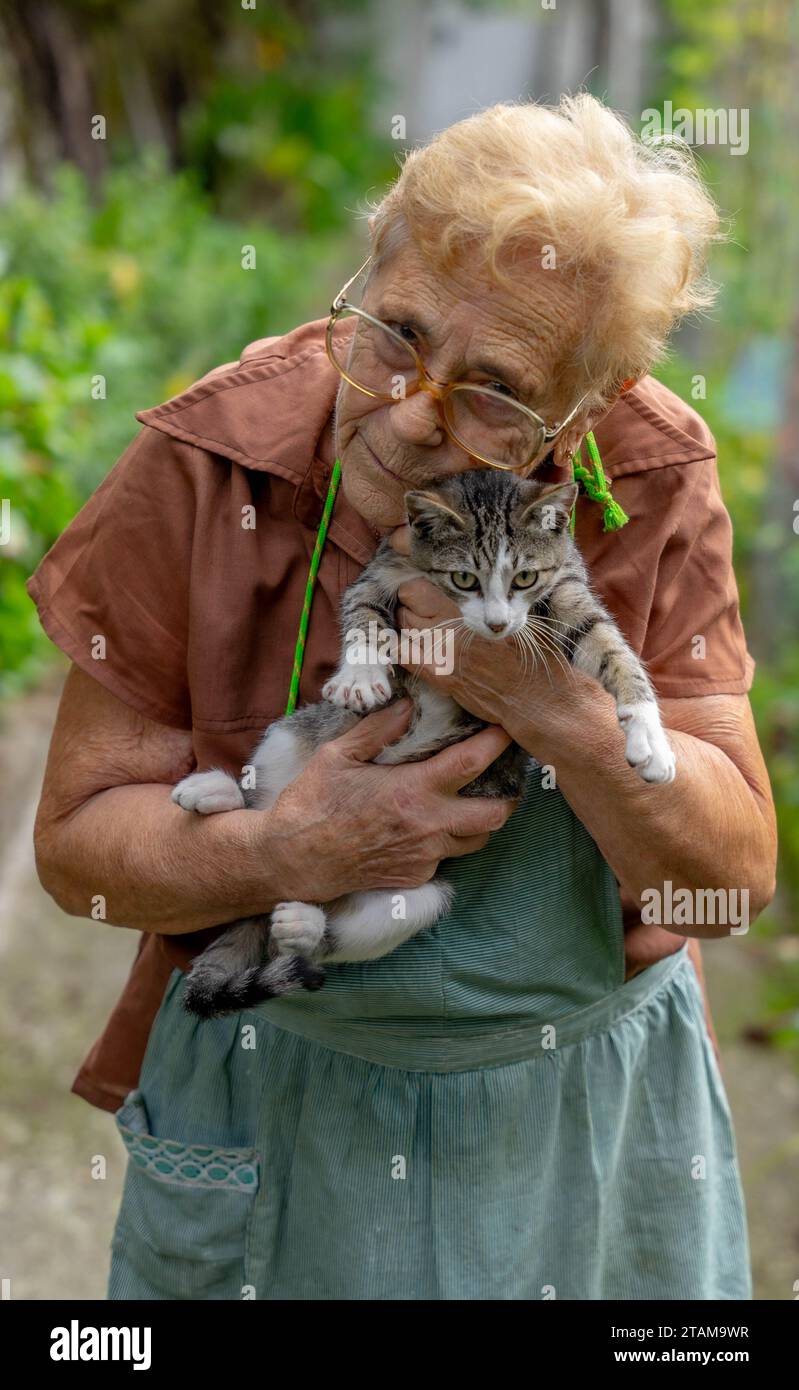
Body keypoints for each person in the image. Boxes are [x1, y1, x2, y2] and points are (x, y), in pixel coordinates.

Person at [28, 94, 776, 1300]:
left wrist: (555, 707)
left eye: (494, 391)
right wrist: (286, 848)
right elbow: (78, 854)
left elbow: (729, 882)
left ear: (583, 413)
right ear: (365, 265)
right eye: (394, 335)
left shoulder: (649, 473)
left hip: (575, 1108)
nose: (409, 413)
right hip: (280, 1089)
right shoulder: (210, 460)